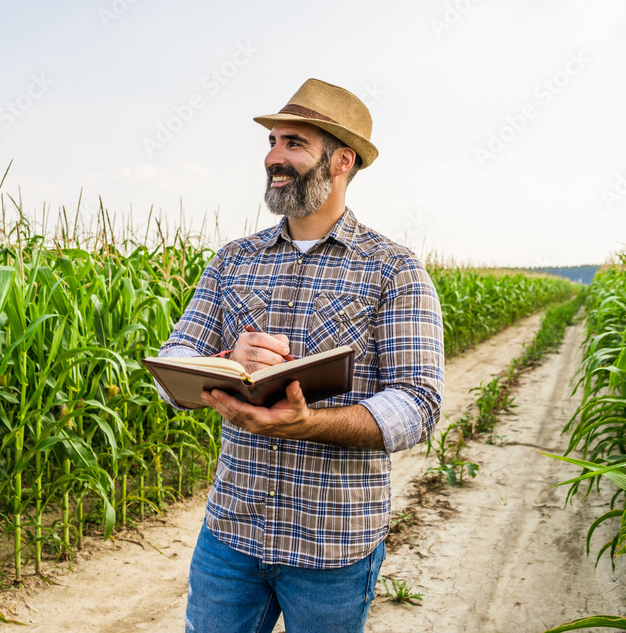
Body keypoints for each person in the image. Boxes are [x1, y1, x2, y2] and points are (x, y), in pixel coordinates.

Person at [154, 78, 444, 633]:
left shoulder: (394, 269)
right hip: (232, 534)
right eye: (272, 142)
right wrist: (223, 359)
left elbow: (419, 403)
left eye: (293, 144)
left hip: (333, 543)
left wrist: (309, 424)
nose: (273, 158)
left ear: (341, 161)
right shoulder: (233, 261)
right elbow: (172, 367)